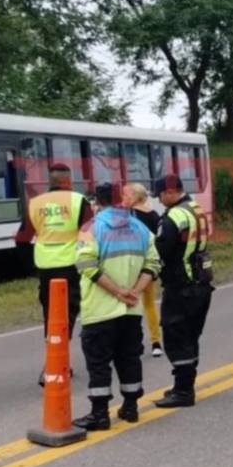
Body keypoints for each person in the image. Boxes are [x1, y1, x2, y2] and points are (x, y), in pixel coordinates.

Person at [71, 183, 161, 430]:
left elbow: (86, 265)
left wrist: (117, 292)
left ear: (97, 203)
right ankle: (130, 408)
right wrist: (135, 291)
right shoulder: (140, 228)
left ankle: (99, 414)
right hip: (131, 310)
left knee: (98, 362)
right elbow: (153, 264)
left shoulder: (91, 228)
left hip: (100, 310)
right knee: (129, 358)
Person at [20, 162, 93, 385]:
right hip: (71, 266)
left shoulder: (35, 203)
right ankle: (54, 364)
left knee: (50, 316)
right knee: (67, 316)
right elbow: (89, 234)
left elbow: (22, 238)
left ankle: (55, 361)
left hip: (45, 266)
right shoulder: (78, 201)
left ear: (49, 182)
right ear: (68, 181)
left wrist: (33, 263)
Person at [152, 174, 214, 409]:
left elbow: (161, 251)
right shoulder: (196, 209)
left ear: (169, 192)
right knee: (190, 337)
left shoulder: (172, 217)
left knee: (176, 338)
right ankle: (185, 384)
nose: (159, 200)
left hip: (181, 286)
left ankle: (183, 391)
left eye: (160, 195)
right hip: (201, 283)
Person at [122, 182, 164, 358]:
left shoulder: (128, 215)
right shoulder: (155, 215)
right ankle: (156, 342)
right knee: (149, 304)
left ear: (135, 197)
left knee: (130, 303)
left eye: (127, 195)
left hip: (132, 265)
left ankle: (134, 343)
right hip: (148, 265)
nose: (124, 199)